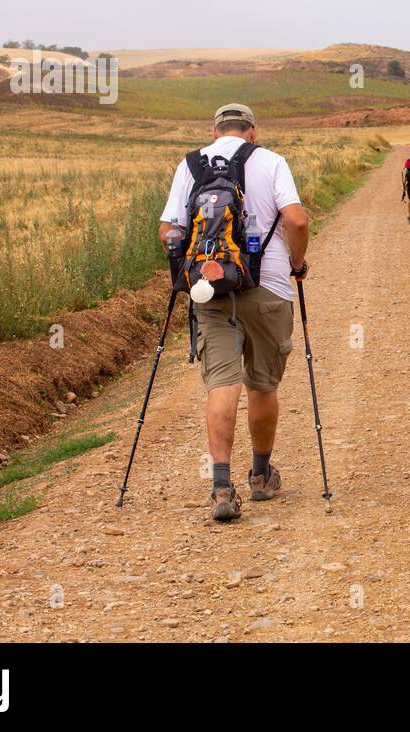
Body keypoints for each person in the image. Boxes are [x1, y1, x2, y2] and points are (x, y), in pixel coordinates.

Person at [159, 103, 310, 521]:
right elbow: (296, 222)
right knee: (262, 384)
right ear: (252, 132)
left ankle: (222, 487)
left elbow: (169, 231)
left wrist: (188, 273)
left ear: (214, 132)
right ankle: (261, 477)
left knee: (222, 384)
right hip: (270, 287)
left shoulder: (190, 165)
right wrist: (297, 266)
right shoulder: (272, 162)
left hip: (210, 291)